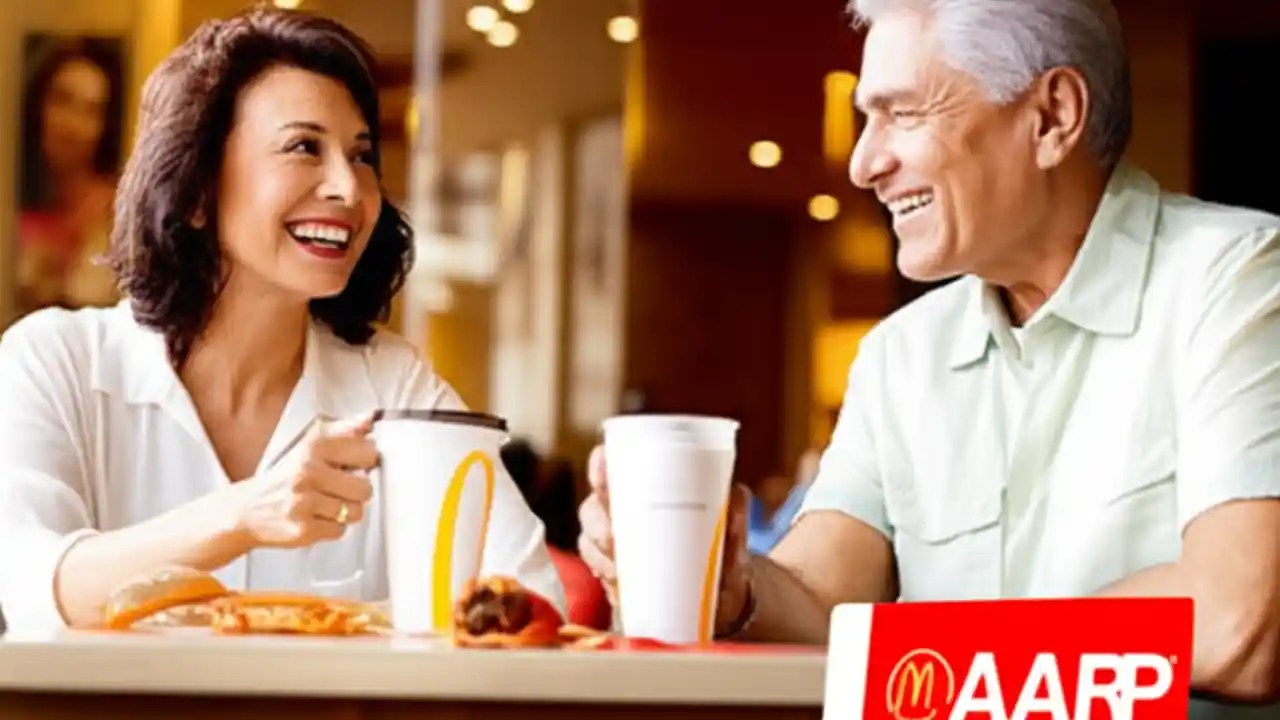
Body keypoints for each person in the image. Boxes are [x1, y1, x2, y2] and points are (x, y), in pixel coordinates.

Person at [579, 0, 1280, 715]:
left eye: (903, 114)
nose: (862, 164)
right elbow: (821, 596)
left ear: (1052, 116)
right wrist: (733, 588)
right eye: (866, 119)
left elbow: (1238, 627)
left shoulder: (1241, 279)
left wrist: (920, 655)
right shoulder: (899, 355)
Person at [0, 7, 563, 632]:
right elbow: (29, 587)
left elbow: (530, 602)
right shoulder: (53, 363)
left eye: (361, 155)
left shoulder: (395, 388)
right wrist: (242, 516)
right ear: (195, 192)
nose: (348, 189)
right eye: (304, 147)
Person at [17, 39, 124, 313]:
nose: (72, 125)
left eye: (91, 111)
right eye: (62, 100)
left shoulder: (118, 214)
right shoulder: (16, 199)